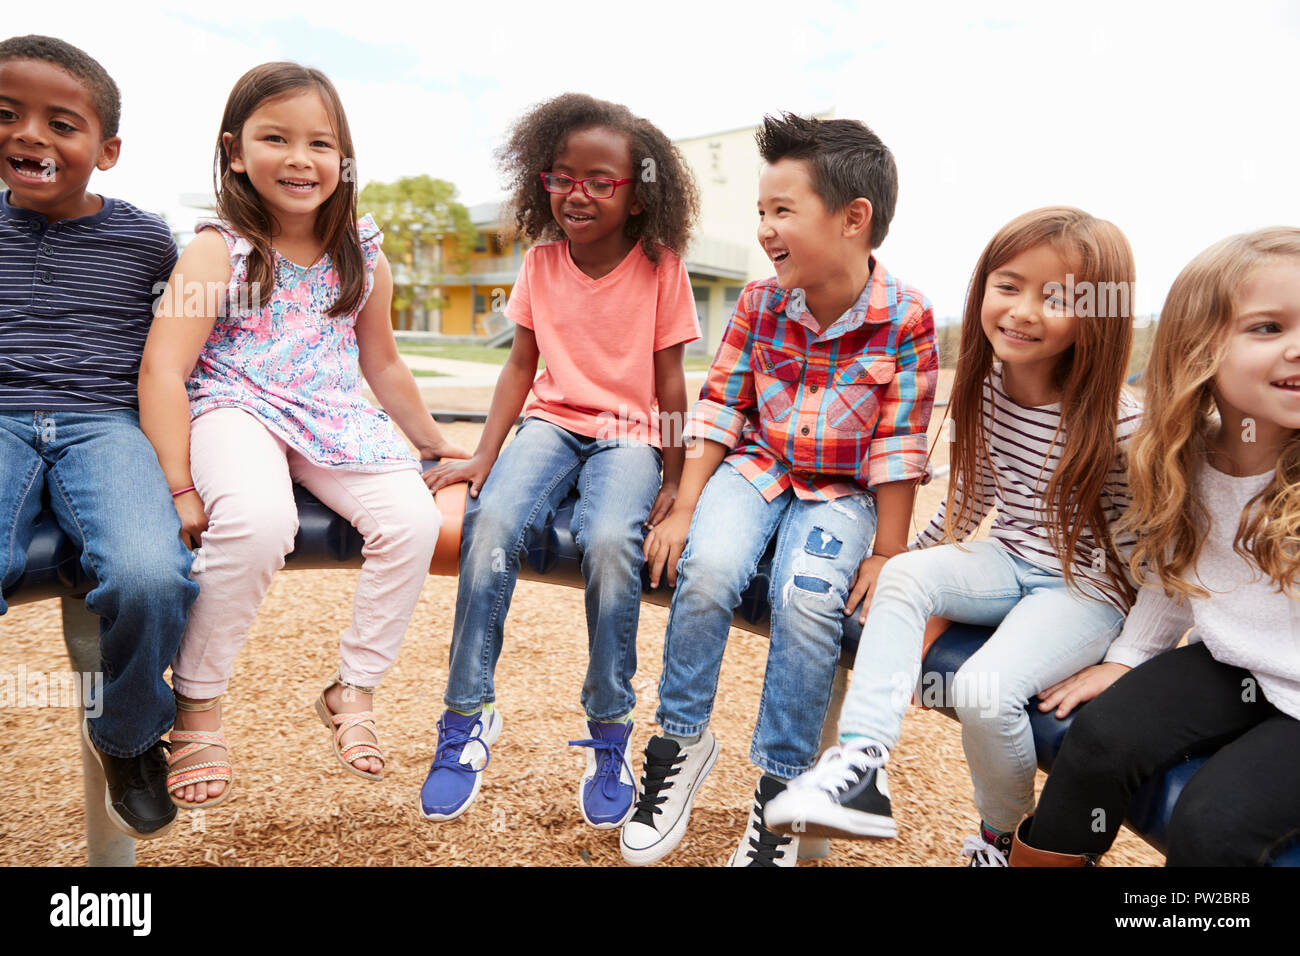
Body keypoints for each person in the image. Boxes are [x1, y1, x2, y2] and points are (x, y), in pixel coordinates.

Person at [766, 206, 1141, 867]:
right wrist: (911, 569)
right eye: (1009, 285)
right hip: (1009, 559)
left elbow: (1159, 556)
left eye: (1055, 297)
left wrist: (1131, 656)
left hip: (1083, 590)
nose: (1023, 311)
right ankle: (861, 769)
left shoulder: (1121, 424)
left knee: (983, 692)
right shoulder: (990, 383)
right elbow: (974, 500)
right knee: (904, 575)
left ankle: (1000, 835)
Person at [138, 62, 464, 808]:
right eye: (274, 138)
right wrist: (180, 485)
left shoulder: (362, 249)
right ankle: (196, 699)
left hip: (331, 414)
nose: (299, 158)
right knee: (258, 520)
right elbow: (163, 367)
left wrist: (434, 441)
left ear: (343, 159)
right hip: (235, 406)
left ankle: (353, 687)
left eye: (320, 142)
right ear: (234, 151)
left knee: (413, 519)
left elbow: (381, 361)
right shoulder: (219, 249)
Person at [620, 113, 938, 867]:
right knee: (706, 570)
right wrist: (688, 504)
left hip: (842, 494)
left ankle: (785, 794)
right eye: (761, 211)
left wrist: (889, 552)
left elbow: (898, 447)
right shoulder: (762, 304)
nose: (765, 228)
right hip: (759, 470)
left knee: (807, 597)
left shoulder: (906, 317)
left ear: (854, 219)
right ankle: (682, 742)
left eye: (782, 210)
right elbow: (723, 405)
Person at [418, 93, 700, 831]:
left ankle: (610, 733)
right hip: (552, 422)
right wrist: (483, 454)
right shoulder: (541, 264)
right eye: (562, 177)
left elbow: (671, 381)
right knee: (491, 526)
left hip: (633, 434)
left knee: (611, 544)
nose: (578, 192)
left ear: (638, 193)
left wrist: (676, 481)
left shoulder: (659, 266)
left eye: (599, 180)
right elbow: (519, 366)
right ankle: (467, 716)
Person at [1011, 227, 1300, 867]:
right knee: (1097, 740)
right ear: (1198, 348)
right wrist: (1130, 656)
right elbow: (1177, 572)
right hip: (1239, 664)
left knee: (1212, 824)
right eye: (1268, 328)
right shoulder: (1187, 456)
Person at [0, 35, 198, 838]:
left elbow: (187, 344)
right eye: (7, 115)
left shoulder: (148, 239)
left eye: (61, 123)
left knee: (151, 574)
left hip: (103, 423)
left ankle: (126, 735)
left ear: (106, 151)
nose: (29, 136)